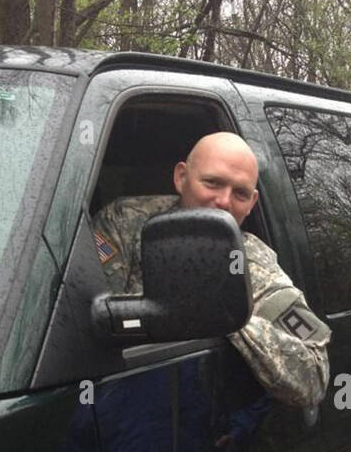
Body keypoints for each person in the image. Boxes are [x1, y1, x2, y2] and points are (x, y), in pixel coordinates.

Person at [92, 131, 331, 409]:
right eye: (212, 183)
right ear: (181, 178)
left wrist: (229, 316)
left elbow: (314, 376)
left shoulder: (253, 262)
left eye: (240, 193)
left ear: (252, 203)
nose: (223, 201)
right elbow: (89, 320)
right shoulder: (125, 220)